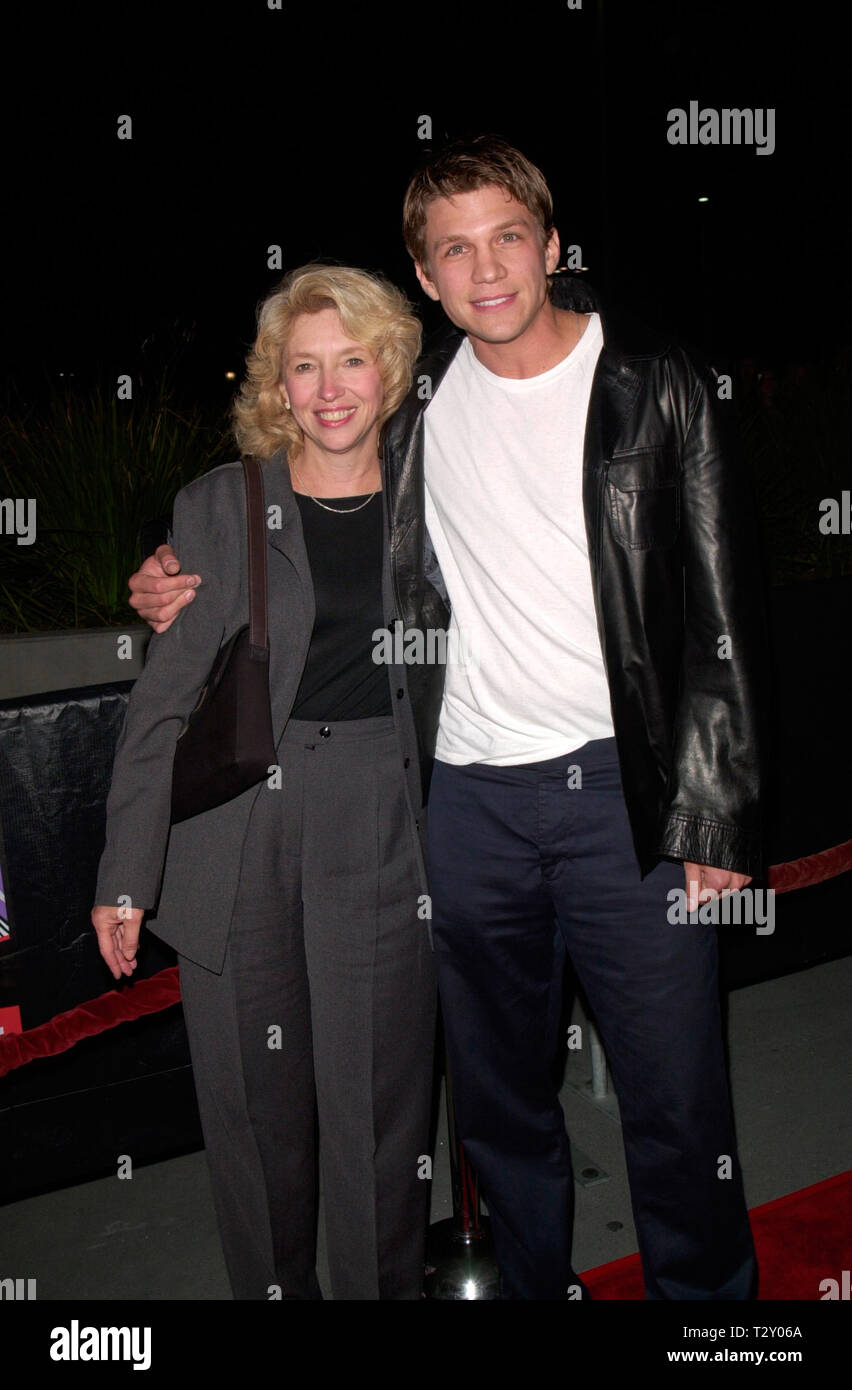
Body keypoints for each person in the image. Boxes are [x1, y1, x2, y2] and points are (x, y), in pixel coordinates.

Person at [129, 136, 768, 1301]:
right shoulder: (416, 407)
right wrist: (173, 581)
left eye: (507, 237)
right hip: (464, 807)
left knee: (677, 1102)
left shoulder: (654, 377)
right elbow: (293, 504)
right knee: (500, 1110)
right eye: (454, 248)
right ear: (423, 275)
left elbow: (717, 603)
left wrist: (711, 810)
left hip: (627, 798)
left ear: (552, 246)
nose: (486, 269)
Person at [92, 265, 436, 1301]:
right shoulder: (221, 503)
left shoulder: (442, 488)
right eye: (303, 368)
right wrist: (124, 873)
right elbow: (161, 702)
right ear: (275, 387)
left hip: (384, 817)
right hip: (240, 829)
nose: (329, 389)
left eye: (351, 360)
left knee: (380, 1115)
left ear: (389, 368)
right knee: (252, 1114)